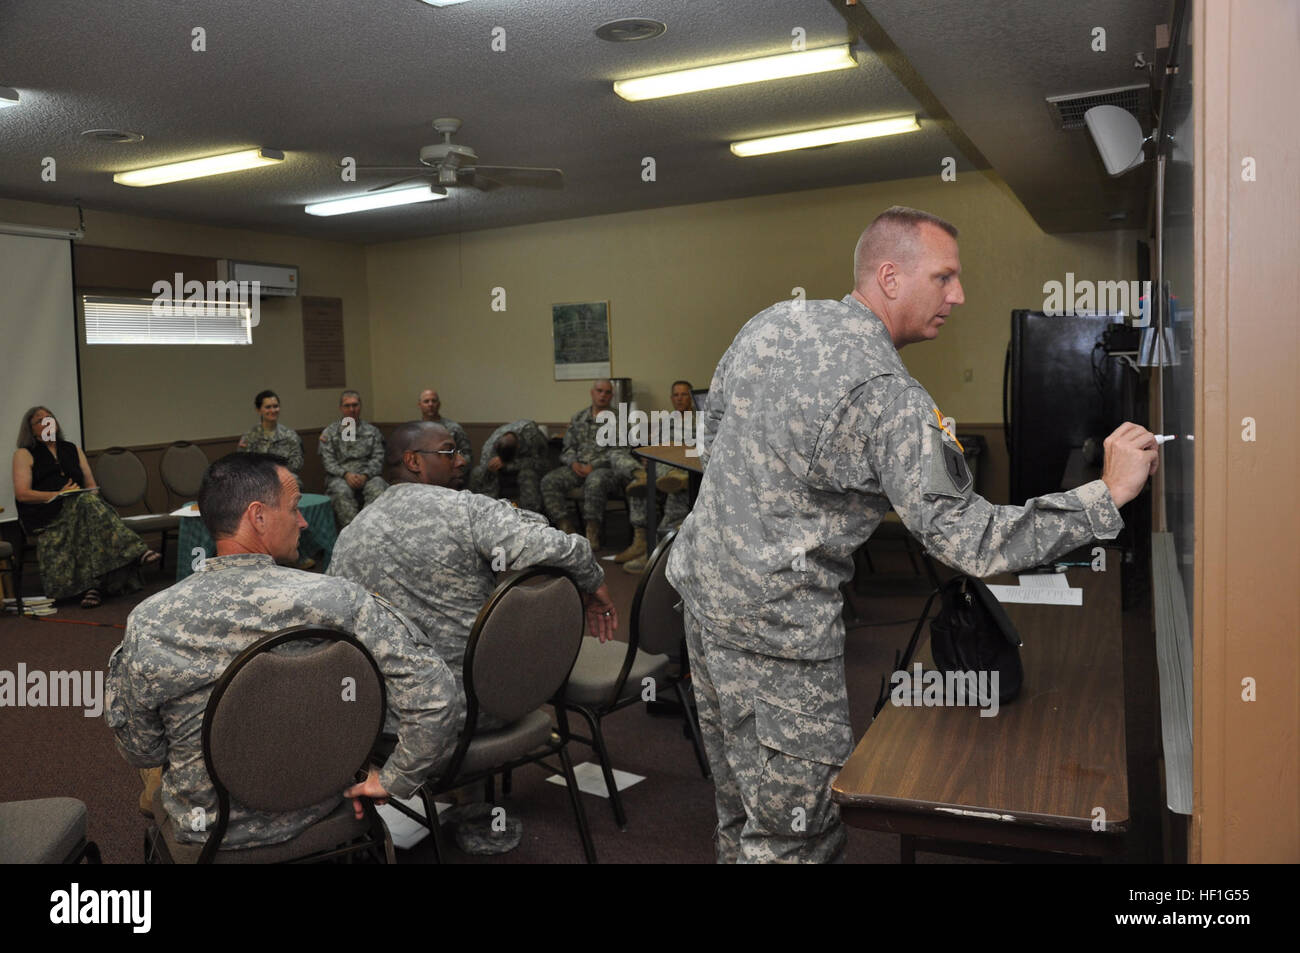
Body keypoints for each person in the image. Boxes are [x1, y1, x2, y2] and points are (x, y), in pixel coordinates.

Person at [665, 206, 1159, 863]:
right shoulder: (890, 396)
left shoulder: (770, 322)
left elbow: (715, 433)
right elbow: (970, 541)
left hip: (702, 601)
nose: (959, 295)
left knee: (740, 811)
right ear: (891, 277)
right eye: (945, 277)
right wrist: (1107, 494)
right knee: (795, 834)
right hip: (777, 636)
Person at [105, 452, 460, 851]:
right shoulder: (340, 600)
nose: (304, 521)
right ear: (258, 517)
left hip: (213, 834)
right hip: (325, 809)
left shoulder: (150, 621)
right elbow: (435, 695)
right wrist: (394, 779)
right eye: (294, 509)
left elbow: (142, 750)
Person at [329, 421, 617, 726]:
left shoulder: (351, 531)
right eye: (449, 452)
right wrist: (593, 581)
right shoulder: (467, 509)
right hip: (474, 709)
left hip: (382, 719)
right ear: (413, 461)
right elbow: (566, 548)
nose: (462, 460)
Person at [11, 406, 160, 608]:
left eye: (50, 418)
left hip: (80, 508)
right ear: (31, 430)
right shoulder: (24, 454)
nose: (46, 423)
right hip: (46, 514)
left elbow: (91, 487)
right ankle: (135, 550)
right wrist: (58, 494)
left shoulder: (72, 449)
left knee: (87, 503)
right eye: (40, 421)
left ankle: (93, 588)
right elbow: (23, 493)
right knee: (86, 505)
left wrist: (84, 499)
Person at [540, 379, 637, 550]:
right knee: (549, 481)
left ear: (611, 396)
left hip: (606, 470)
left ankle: (592, 531)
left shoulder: (620, 420)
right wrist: (573, 462)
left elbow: (622, 451)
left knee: (595, 481)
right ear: (592, 392)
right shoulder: (578, 418)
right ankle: (566, 529)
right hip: (577, 468)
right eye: (599, 391)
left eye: (607, 392)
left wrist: (595, 465)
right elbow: (568, 447)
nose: (603, 395)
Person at [618, 379, 696, 569]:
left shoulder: (703, 420)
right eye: (676, 395)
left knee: (675, 487)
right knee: (641, 486)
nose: (679, 399)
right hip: (665, 470)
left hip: (690, 468)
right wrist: (648, 453)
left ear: (692, 397)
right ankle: (641, 543)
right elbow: (653, 445)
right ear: (671, 398)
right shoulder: (666, 422)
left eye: (684, 394)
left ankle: (655, 556)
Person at [318, 389, 386, 527]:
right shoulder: (330, 432)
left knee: (378, 487)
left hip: (368, 476)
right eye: (347, 406)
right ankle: (351, 531)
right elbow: (328, 461)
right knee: (341, 491)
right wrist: (346, 474)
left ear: (360, 406)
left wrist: (365, 475)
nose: (352, 409)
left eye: (355, 405)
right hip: (340, 477)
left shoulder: (372, 432)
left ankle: (369, 528)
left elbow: (378, 457)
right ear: (341, 408)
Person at [467, 419, 549, 514]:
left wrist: (512, 464)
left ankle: (531, 514)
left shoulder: (532, 436)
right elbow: (485, 467)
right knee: (478, 472)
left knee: (528, 474)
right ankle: (489, 511)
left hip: (524, 471)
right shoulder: (491, 446)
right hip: (500, 474)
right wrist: (493, 467)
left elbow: (544, 464)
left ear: (518, 447)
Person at [237, 390, 304, 483]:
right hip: (258, 480)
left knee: (295, 482)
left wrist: (278, 474)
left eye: (275, 406)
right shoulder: (249, 437)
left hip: (284, 479)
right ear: (258, 410)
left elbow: (297, 463)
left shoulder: (290, 435)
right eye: (268, 407)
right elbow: (243, 464)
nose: (273, 410)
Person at [419, 388, 472, 466]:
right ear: (419, 405)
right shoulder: (414, 430)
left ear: (439, 404)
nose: (430, 404)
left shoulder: (453, 428)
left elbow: (467, 455)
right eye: (426, 401)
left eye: (434, 401)